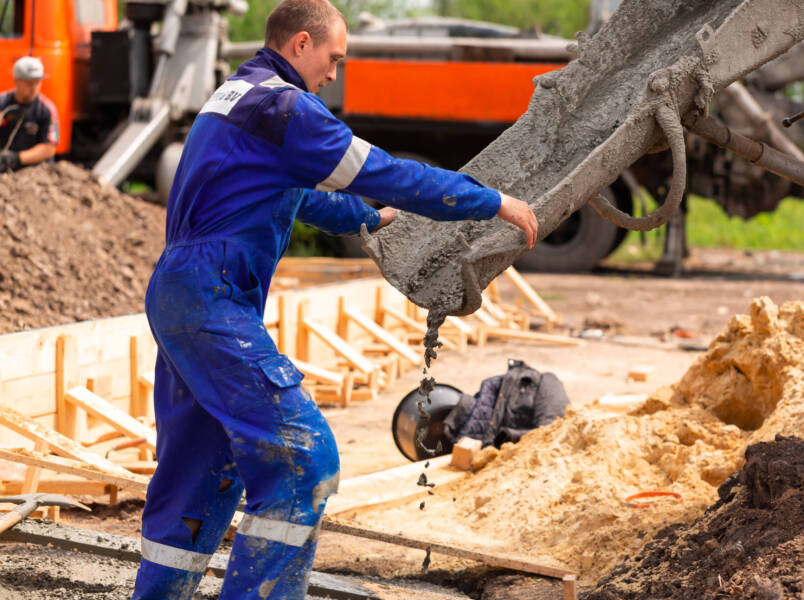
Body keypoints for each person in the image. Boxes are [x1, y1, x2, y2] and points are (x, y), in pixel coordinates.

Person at [132, 0, 538, 598]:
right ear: (301, 44)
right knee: (304, 463)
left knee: (198, 469)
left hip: (180, 292)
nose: (333, 75)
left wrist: (368, 218)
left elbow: (294, 195)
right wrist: (490, 200)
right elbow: (387, 169)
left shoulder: (239, 95)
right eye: (333, 59)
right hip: (212, 296)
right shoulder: (287, 107)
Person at [0, 56, 58, 171]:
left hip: (35, 173)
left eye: (37, 82)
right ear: (16, 81)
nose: (34, 88)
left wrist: (15, 158)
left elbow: (49, 148)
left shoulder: (46, 109)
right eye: (29, 83)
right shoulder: (3, 103)